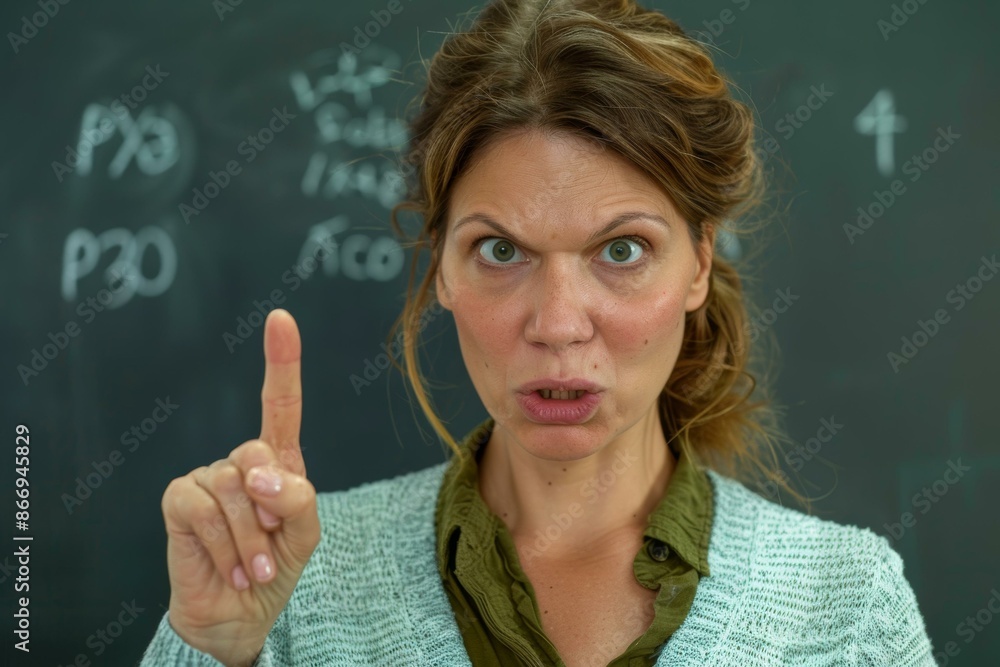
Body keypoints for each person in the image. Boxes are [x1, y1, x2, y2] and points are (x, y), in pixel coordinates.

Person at [140, 0, 937, 665]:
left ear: (699, 263)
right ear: (442, 267)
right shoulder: (288, 585)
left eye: (621, 250)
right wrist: (212, 649)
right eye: (500, 250)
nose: (557, 325)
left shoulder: (849, 609)